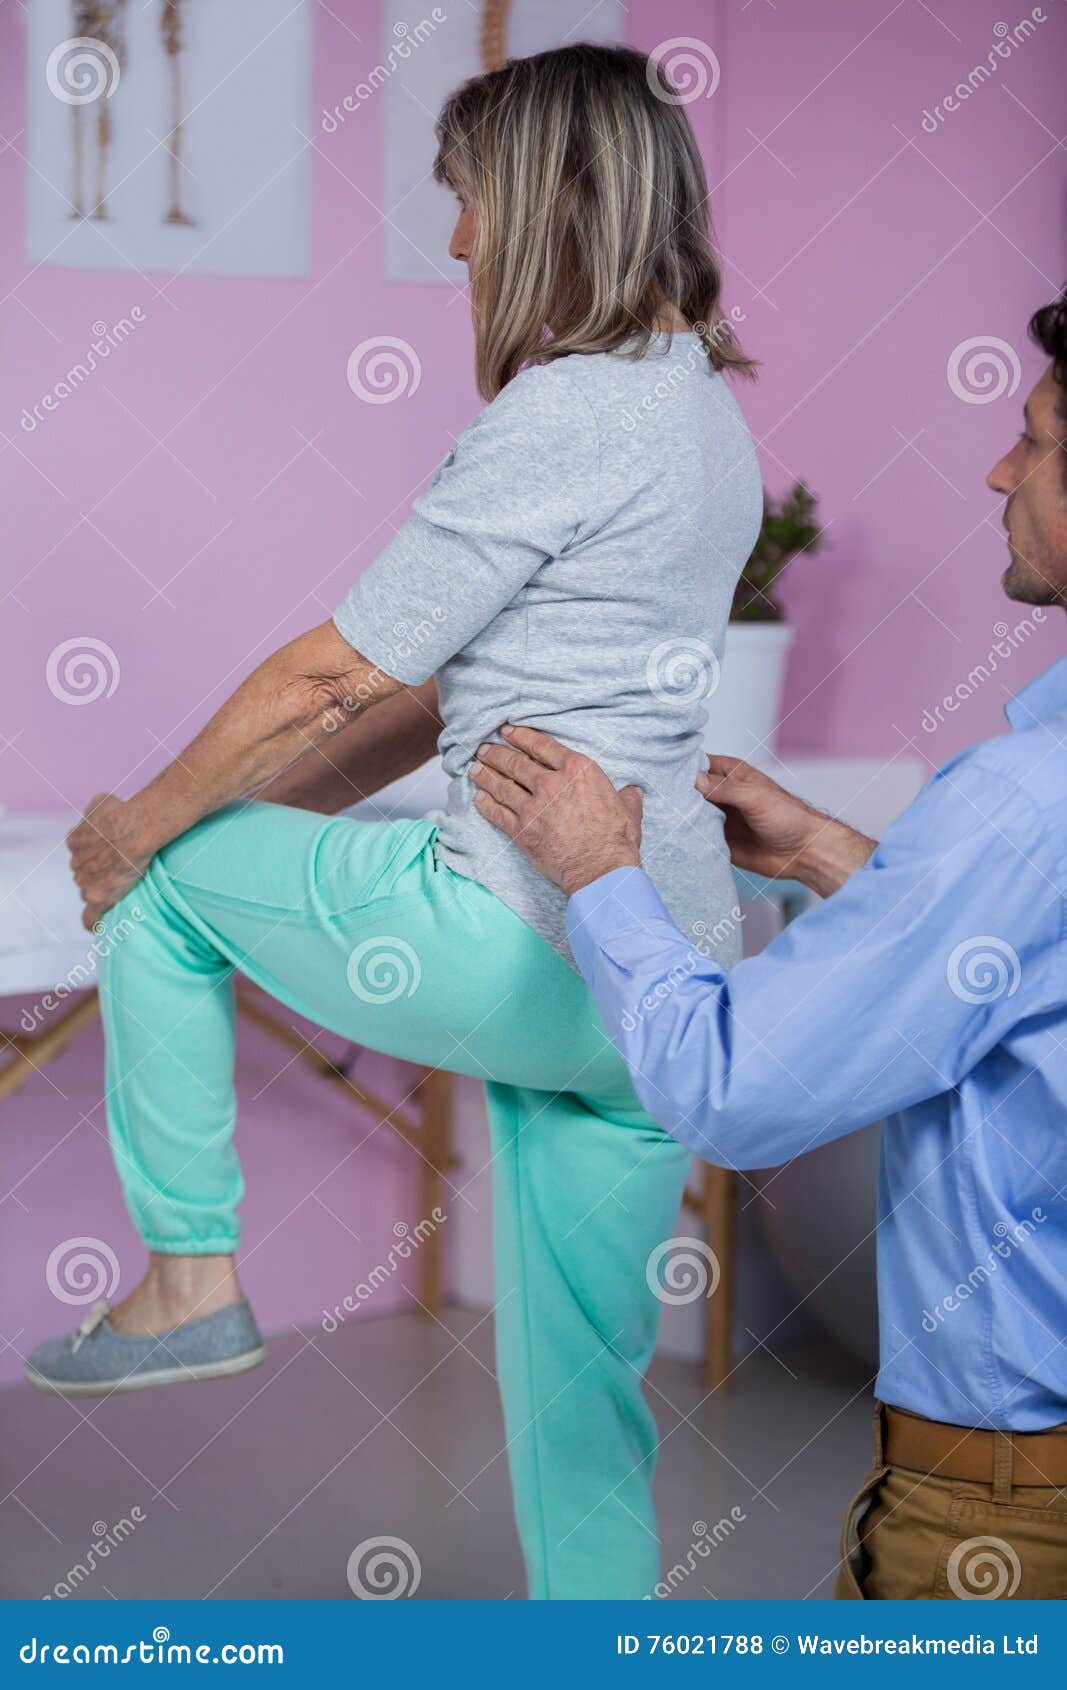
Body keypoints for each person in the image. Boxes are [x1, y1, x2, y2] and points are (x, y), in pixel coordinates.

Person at [26, 45, 763, 1602]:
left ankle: (191, 1275)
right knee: (582, 1408)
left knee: (159, 887)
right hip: (659, 979)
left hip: (509, 928)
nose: (455, 246)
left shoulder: (565, 409)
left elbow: (331, 675)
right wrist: (246, 823)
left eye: (470, 203)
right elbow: (423, 705)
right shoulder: (705, 420)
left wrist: (139, 830)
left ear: (556, 203)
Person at [471, 291, 1067, 1600]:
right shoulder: (1032, 822)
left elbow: (730, 1089)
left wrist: (599, 875)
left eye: (1034, 442)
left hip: (1012, 1508)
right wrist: (821, 853)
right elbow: (1032, 972)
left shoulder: (1023, 805)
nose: (997, 468)